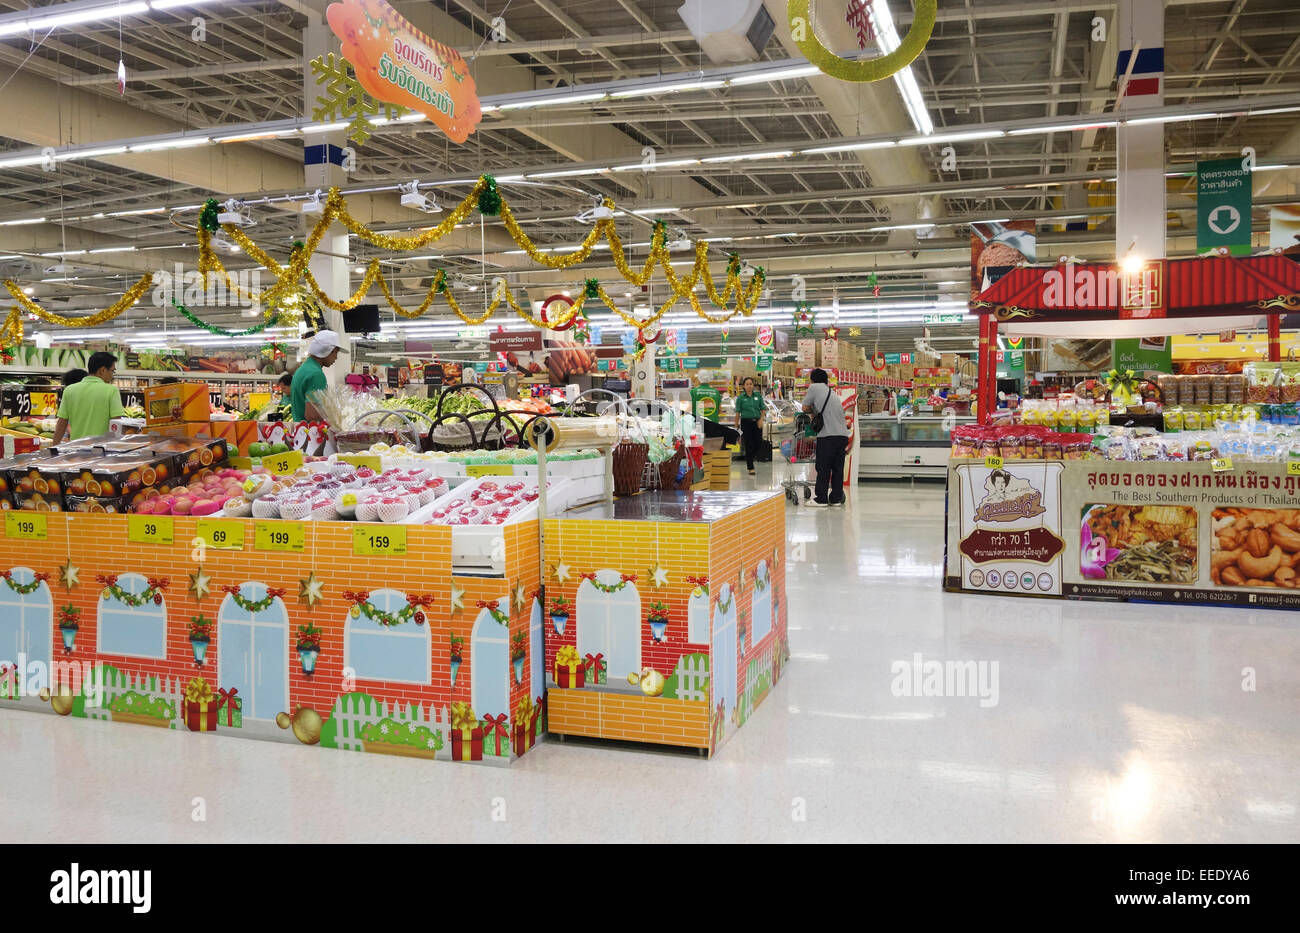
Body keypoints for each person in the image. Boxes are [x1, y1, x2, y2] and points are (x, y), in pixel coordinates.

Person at [801, 368, 850, 507]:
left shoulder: (814, 387)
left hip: (828, 436)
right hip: (842, 436)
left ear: (813, 379)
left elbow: (805, 408)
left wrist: (813, 411)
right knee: (837, 468)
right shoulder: (831, 392)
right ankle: (835, 498)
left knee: (823, 467)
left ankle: (821, 498)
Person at [52, 351, 123, 444]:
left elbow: (62, 423)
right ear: (102, 370)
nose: (112, 375)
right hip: (102, 449)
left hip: (76, 448)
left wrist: (54, 447)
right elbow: (116, 424)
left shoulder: (69, 390)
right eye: (112, 371)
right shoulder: (111, 390)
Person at [290, 330, 342, 421]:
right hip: (310, 432)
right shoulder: (316, 375)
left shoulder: (303, 369)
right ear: (328, 350)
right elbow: (312, 415)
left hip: (299, 429)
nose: (336, 358)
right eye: (335, 352)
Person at [734, 376, 766, 475]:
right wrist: (736, 427)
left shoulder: (758, 396)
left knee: (758, 444)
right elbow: (738, 413)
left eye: (751, 384)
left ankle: (750, 458)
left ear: (753, 385)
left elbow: (763, 409)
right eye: (747, 384)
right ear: (744, 386)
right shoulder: (740, 398)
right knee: (749, 444)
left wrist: (761, 419)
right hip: (745, 423)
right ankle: (750, 466)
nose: (749, 386)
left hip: (757, 422)